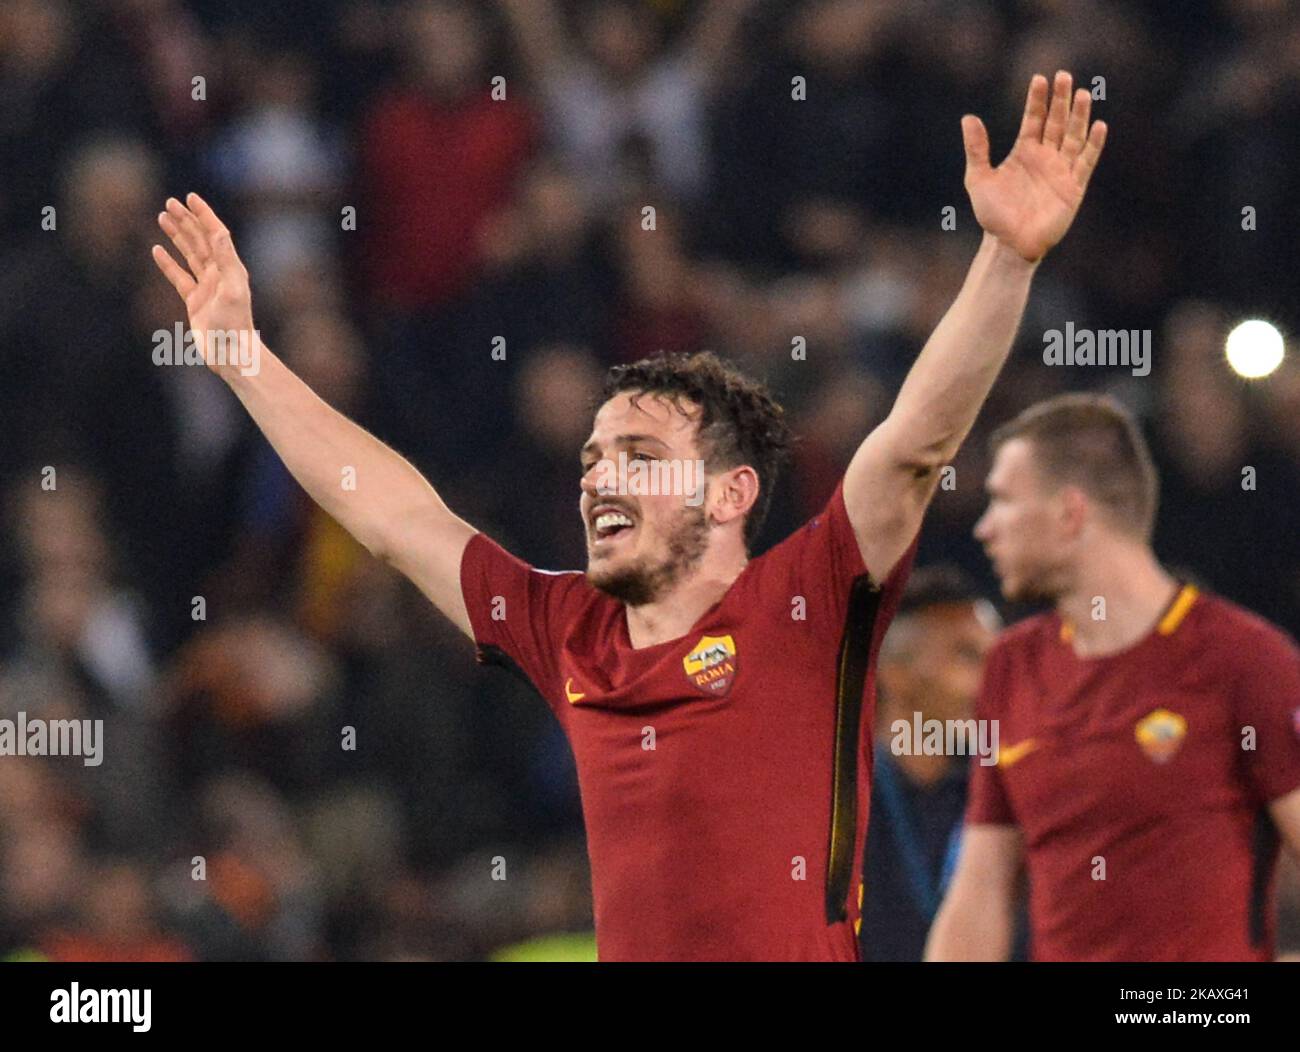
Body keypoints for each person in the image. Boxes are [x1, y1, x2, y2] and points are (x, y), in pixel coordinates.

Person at [151, 72, 1107, 960]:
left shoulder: (807, 602)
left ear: (731, 495)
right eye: (594, 458)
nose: (599, 478)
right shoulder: (569, 630)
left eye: (640, 458)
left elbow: (912, 447)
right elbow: (397, 516)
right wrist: (242, 357)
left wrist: (1005, 260)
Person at [925, 394, 1300, 961]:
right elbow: (982, 889)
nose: (983, 528)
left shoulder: (1243, 659)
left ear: (1070, 513)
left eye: (1002, 500)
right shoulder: (1011, 666)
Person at [858, 566, 1002, 961]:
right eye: (968, 656)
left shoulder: (1001, 805)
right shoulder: (831, 811)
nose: (995, 681)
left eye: (999, 659)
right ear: (896, 674)